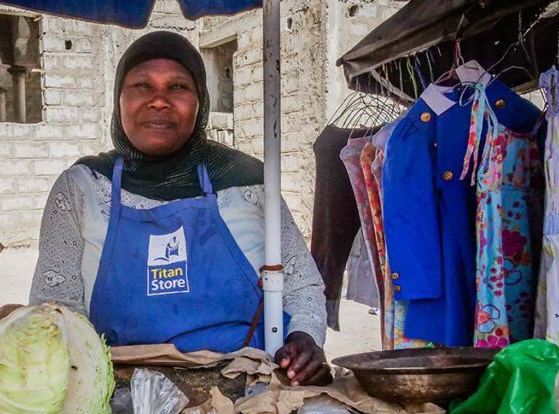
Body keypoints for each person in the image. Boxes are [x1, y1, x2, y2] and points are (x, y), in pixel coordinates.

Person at [27, 31, 331, 386]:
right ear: (117, 100)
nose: (159, 101)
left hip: (246, 393)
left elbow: (301, 286)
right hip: (118, 397)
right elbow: (55, 308)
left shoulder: (249, 182)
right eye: (142, 85)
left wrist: (305, 339)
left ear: (200, 101)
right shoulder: (82, 188)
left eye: (177, 87)